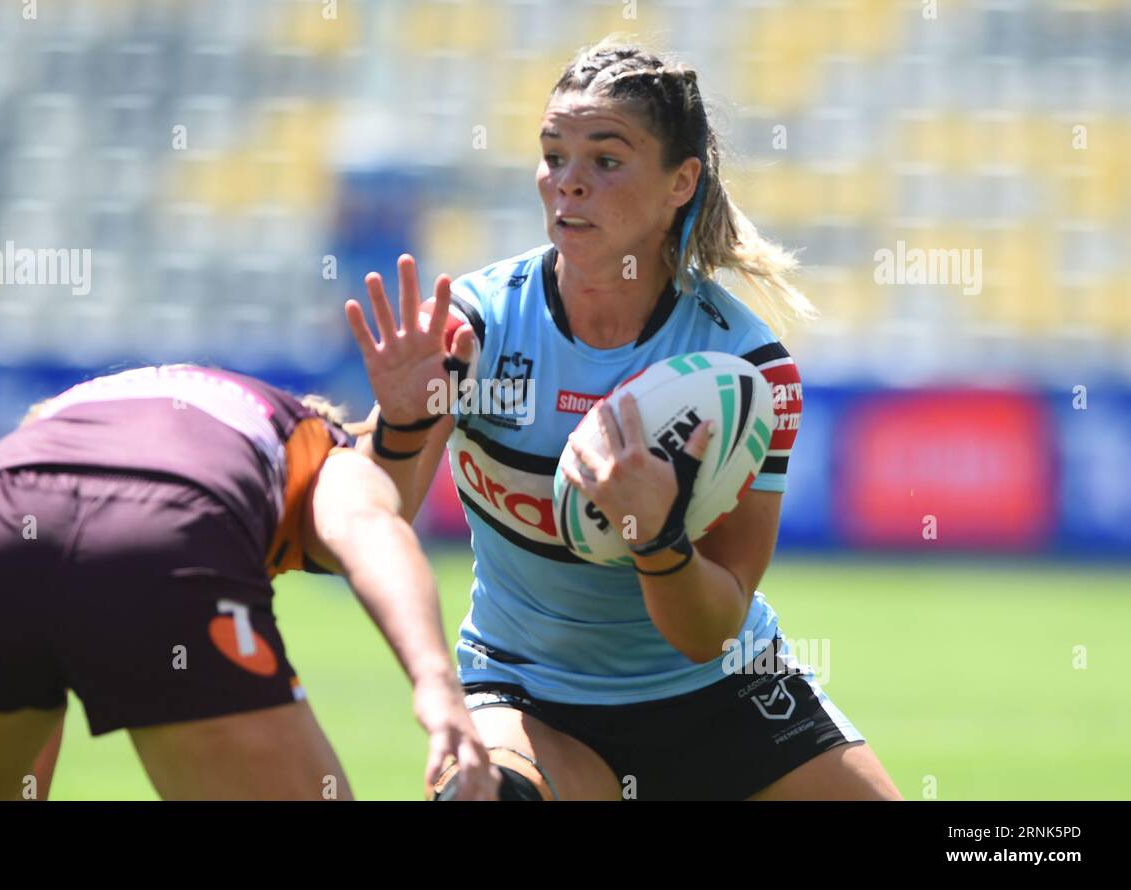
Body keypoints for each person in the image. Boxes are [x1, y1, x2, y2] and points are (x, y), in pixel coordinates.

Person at [345, 39, 902, 801]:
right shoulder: (476, 327)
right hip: (530, 696)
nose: (568, 184)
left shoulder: (747, 368)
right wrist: (404, 426)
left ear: (681, 182)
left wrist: (658, 537)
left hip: (723, 689)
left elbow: (710, 630)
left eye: (606, 161)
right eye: (553, 155)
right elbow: (364, 521)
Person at [0, 363, 497, 800]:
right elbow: (370, 525)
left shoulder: (101, 399)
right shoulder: (315, 444)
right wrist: (434, 682)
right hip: (161, 528)